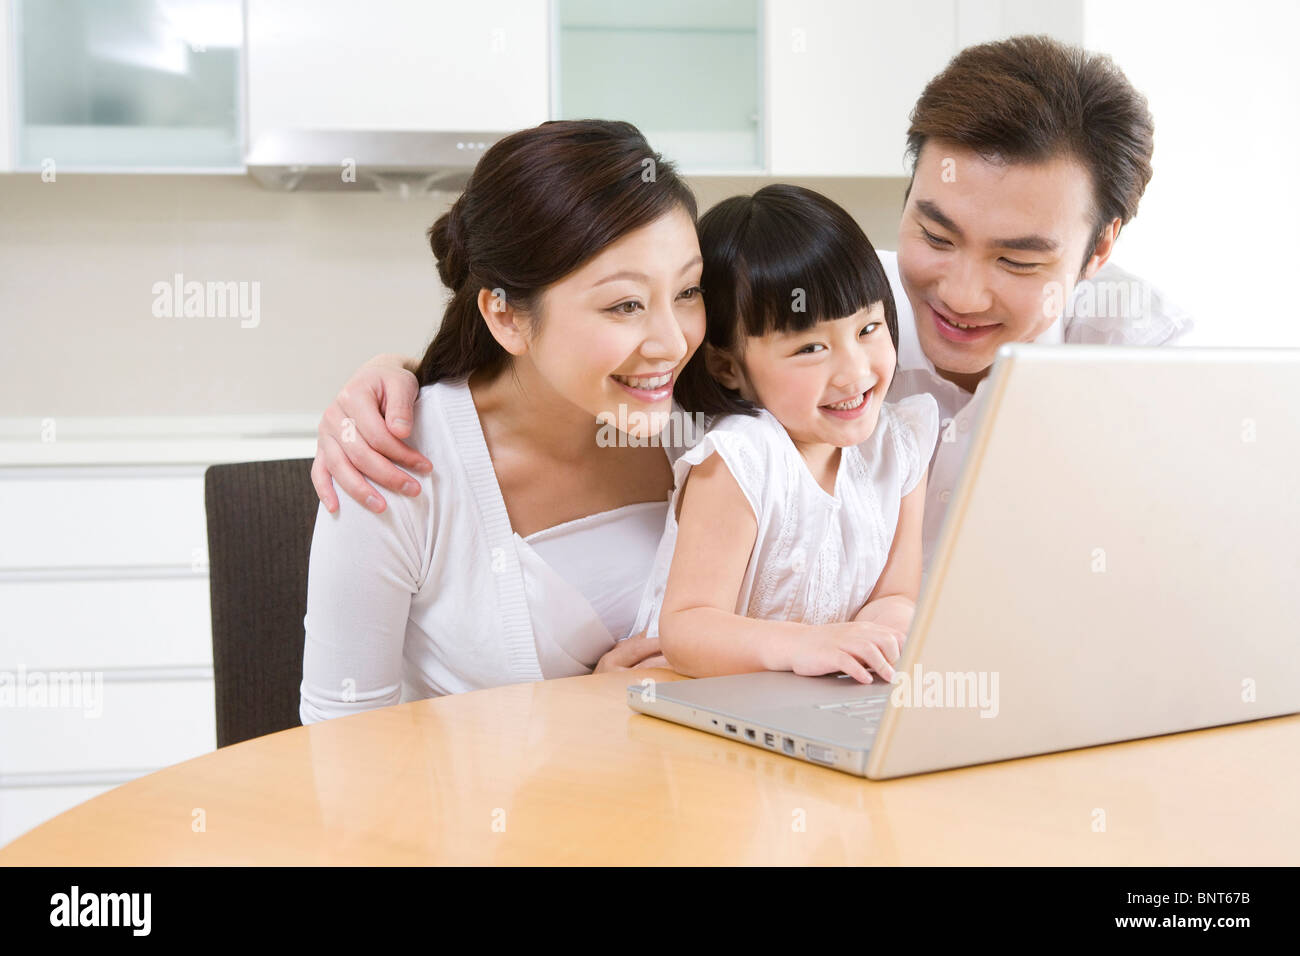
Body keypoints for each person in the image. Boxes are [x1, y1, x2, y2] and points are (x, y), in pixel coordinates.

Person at [313, 35, 1191, 575]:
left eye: (1017, 258)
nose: (958, 293)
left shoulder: (1148, 366)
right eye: (936, 232)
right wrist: (391, 376)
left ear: (1101, 249)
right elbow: (606, 352)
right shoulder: (828, 305)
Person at [299, 120, 706, 724]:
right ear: (507, 317)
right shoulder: (393, 468)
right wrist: (588, 714)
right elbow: (339, 747)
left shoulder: (709, 432)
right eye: (625, 304)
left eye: (688, 292)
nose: (673, 343)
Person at [633, 185, 938, 685]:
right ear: (727, 367)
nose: (854, 372)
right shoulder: (742, 457)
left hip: (805, 701)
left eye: (868, 329)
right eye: (811, 347)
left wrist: (881, 642)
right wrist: (809, 645)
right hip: (692, 698)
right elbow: (687, 629)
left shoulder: (899, 445)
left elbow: (895, 596)